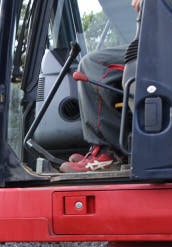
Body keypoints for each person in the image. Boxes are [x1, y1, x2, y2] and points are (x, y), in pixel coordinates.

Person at [60, 0, 142, 173]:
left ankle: (109, 152)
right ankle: (106, 149)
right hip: (165, 36)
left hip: (170, 41)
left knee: (94, 64)